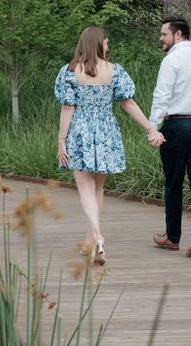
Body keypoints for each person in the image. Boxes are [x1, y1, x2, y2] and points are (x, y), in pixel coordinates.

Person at [55, 27, 158, 265]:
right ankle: (92, 239)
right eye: (107, 43)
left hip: (80, 131)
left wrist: (61, 141)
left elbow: (68, 108)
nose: (109, 47)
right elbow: (128, 102)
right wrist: (149, 127)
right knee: (98, 189)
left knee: (85, 189)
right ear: (98, 44)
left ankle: (97, 237)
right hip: (106, 131)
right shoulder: (115, 71)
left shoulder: (70, 72)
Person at [148, 17, 191, 260]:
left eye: (164, 34)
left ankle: (173, 238)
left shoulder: (172, 60)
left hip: (176, 125)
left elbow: (162, 96)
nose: (161, 39)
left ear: (178, 35)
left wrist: (153, 127)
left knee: (174, 182)